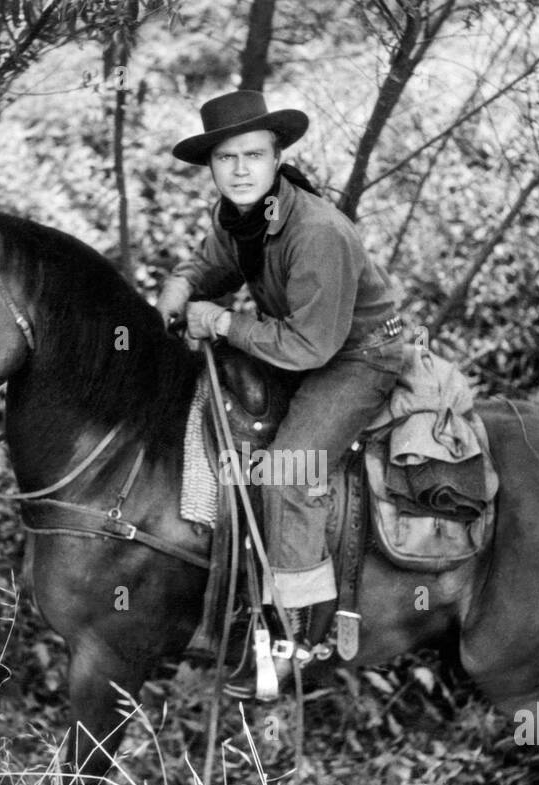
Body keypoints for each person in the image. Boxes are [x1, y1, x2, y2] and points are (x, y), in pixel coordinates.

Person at [156, 90, 405, 691]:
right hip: (296, 345)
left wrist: (220, 322)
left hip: (353, 357)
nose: (239, 170)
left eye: (253, 156)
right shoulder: (239, 216)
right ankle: (232, 603)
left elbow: (311, 347)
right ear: (212, 168)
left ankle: (298, 634)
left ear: (277, 159)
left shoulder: (317, 231)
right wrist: (180, 284)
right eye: (225, 159)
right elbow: (211, 264)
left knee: (290, 471)